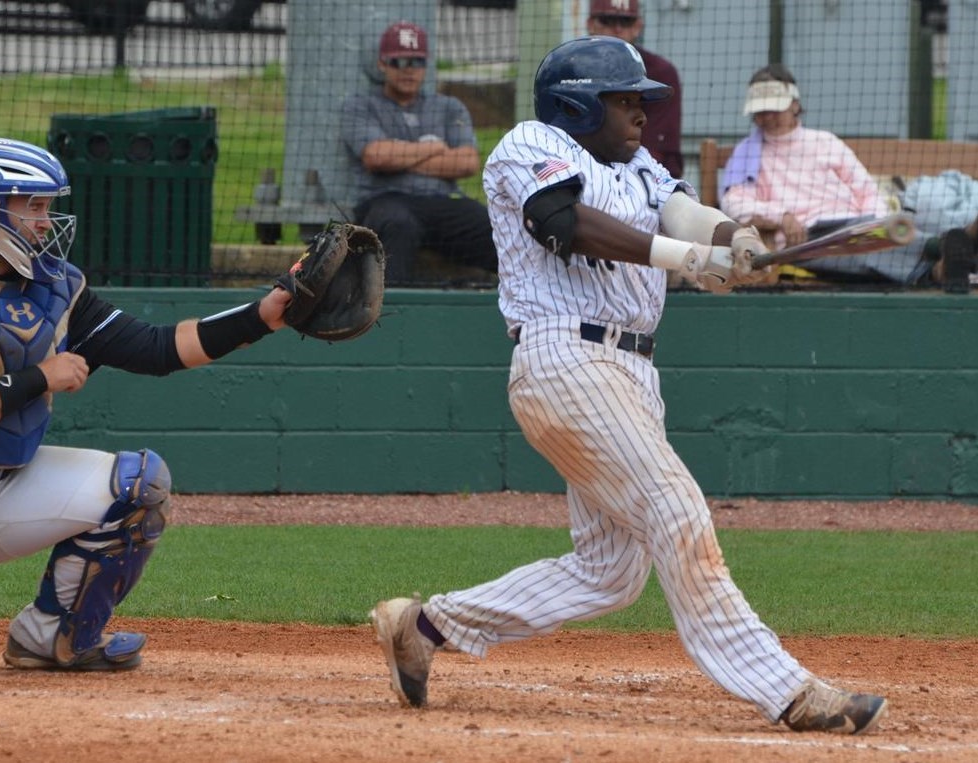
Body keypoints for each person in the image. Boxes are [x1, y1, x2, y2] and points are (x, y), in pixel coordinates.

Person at [369, 37, 888, 735]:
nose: (642, 113)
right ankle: (790, 690)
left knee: (610, 572)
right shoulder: (528, 143)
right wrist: (688, 258)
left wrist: (732, 240)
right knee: (676, 509)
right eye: (624, 100)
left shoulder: (637, 163)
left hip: (632, 371)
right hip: (566, 358)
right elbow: (563, 225)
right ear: (576, 104)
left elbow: (681, 213)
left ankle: (424, 625)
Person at [0, 136, 292, 670]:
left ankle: (55, 637)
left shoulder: (55, 288)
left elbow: (158, 349)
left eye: (47, 206)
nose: (46, 221)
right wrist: (39, 377)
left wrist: (264, 316)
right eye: (34, 206)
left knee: (139, 485)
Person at [720, 63, 978, 290]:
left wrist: (879, 224)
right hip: (808, 239)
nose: (767, 118)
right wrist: (782, 216)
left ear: (795, 105)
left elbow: (866, 189)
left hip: (858, 224)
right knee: (859, 245)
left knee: (877, 234)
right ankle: (951, 245)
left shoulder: (826, 142)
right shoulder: (747, 154)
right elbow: (734, 202)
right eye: (760, 111)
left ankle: (941, 268)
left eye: (773, 109)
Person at [339, 21, 498, 285]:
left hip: (443, 200)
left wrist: (398, 155)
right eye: (398, 62)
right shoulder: (360, 105)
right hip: (385, 200)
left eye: (416, 62)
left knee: (495, 226)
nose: (408, 70)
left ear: (426, 65)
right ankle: (391, 311)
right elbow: (376, 157)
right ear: (382, 64)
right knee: (398, 223)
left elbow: (467, 162)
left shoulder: (449, 107)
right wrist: (433, 149)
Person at [587, 0, 683, 178]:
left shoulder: (661, 73)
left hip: (648, 176)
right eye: (607, 20)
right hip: (584, 171)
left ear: (637, 26)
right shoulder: (574, 68)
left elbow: (659, 149)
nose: (617, 29)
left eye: (625, 21)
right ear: (591, 24)